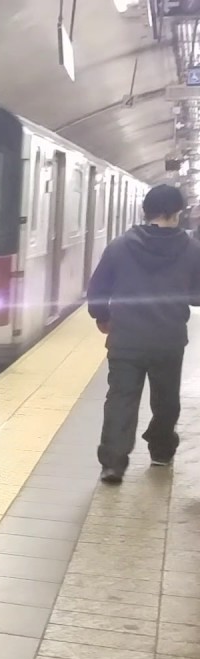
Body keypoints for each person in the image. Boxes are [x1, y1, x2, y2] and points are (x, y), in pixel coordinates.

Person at [88, 184, 200, 484]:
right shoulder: (191, 249)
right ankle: (161, 451)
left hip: (126, 340)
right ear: (177, 213)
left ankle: (113, 464)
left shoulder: (120, 245)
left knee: (121, 399)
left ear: (145, 211)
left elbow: (98, 290)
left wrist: (102, 317)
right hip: (169, 340)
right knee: (166, 400)